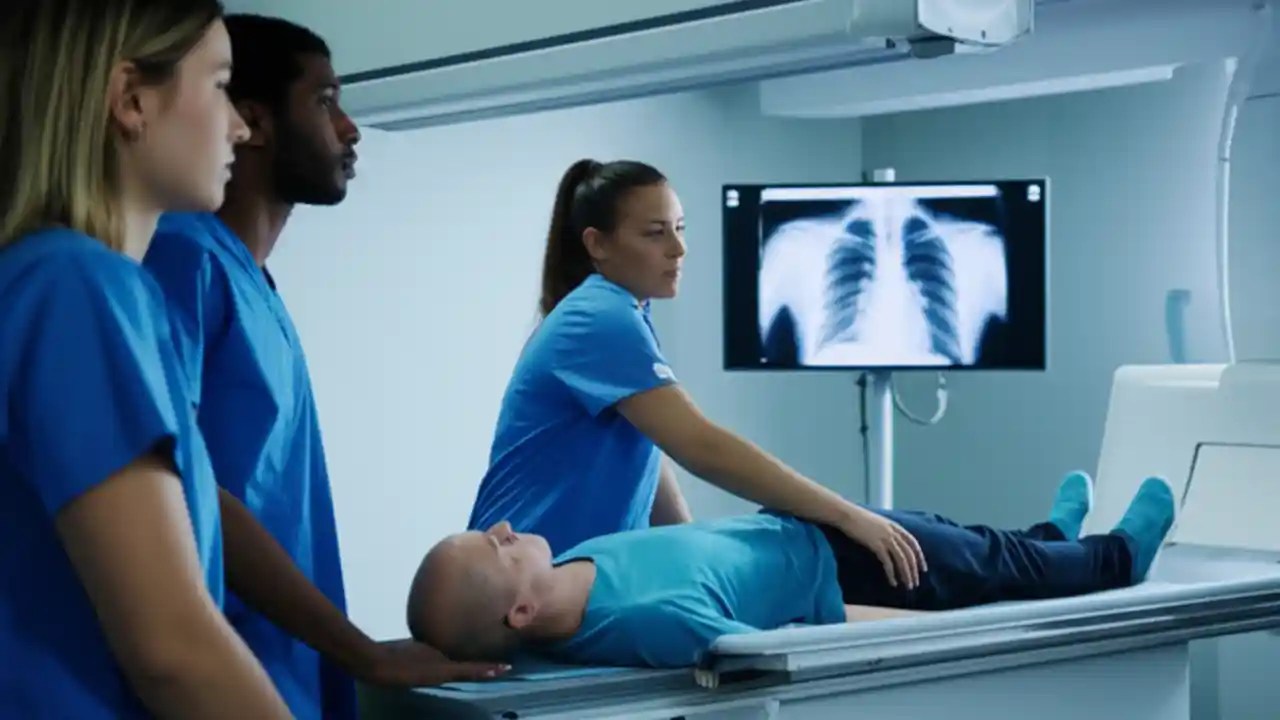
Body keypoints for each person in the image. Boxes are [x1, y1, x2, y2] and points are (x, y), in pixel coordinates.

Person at [140, 13, 504, 720]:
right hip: (223, 681)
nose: (349, 129)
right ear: (254, 121)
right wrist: (362, 653)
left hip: (288, 674)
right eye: (325, 101)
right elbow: (187, 488)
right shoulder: (181, 258)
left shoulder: (247, 279)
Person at [0, 1, 296, 718]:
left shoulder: (44, 282)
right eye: (220, 86)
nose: (240, 126)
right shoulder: (76, 286)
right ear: (131, 99)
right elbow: (173, 648)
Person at [468, 158, 927, 589]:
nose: (679, 248)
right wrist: (847, 516)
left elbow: (653, 452)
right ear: (597, 244)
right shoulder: (599, 317)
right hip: (521, 589)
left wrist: (695, 556)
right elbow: (701, 445)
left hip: (565, 581)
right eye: (655, 234)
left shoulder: (619, 310)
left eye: (680, 228)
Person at [414, 473, 1176, 669]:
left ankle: (1050, 538)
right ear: (518, 613)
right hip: (842, 578)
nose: (503, 529)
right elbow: (793, 641)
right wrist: (941, 627)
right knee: (982, 568)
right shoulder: (651, 621)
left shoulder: (564, 587)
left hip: (802, 530)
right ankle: (1115, 558)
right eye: (494, 548)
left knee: (963, 540)